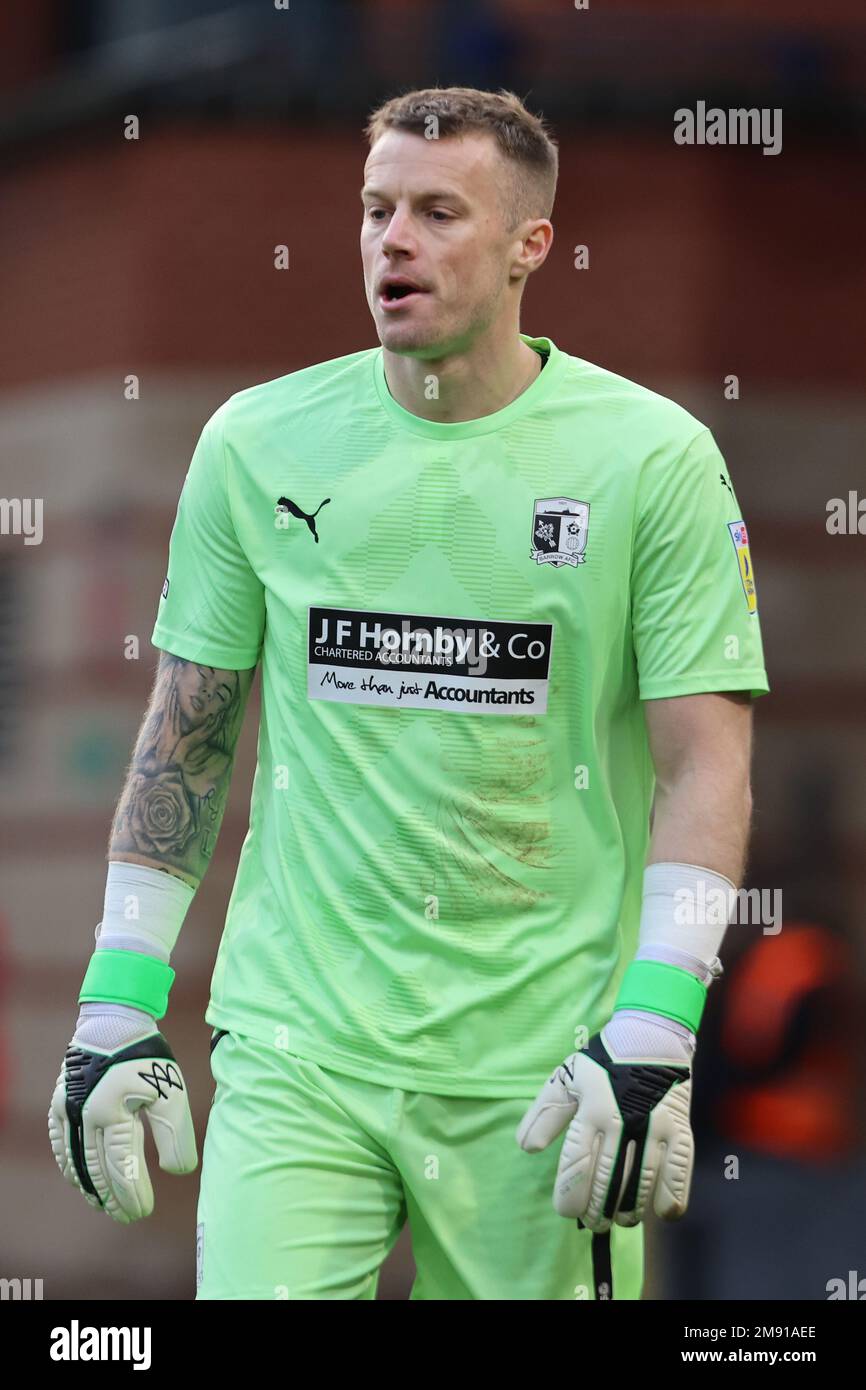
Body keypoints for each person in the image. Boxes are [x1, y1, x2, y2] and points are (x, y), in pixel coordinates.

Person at [49, 86, 769, 1301]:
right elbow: (189, 735)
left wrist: (656, 1021)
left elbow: (705, 760)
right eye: (377, 209)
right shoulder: (253, 442)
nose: (393, 240)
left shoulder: (650, 458)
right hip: (297, 1049)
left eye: (439, 212)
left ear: (528, 246)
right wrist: (115, 997)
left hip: (544, 1074)